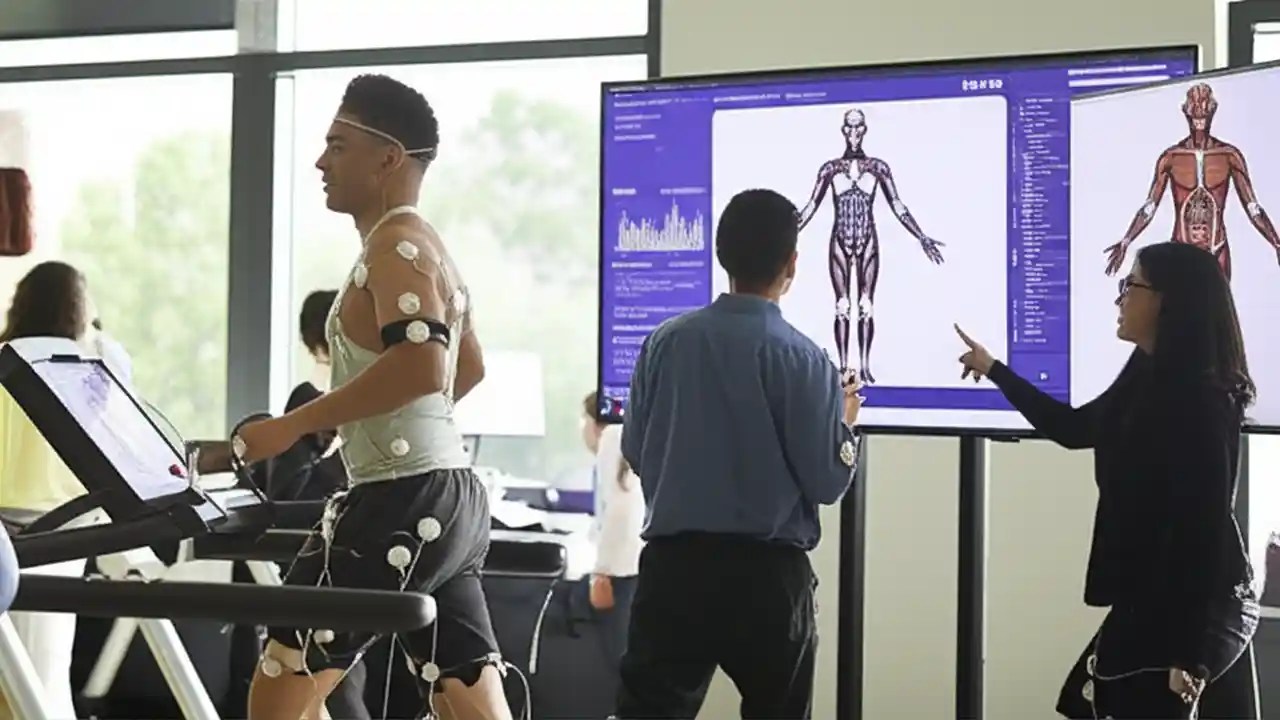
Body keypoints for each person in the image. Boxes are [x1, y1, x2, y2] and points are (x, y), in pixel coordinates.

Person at [233, 74, 507, 720]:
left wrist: (293, 426)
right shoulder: (428, 245)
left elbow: (421, 366)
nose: (321, 161)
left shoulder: (394, 245)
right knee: (471, 703)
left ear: (388, 158)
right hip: (450, 497)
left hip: (399, 498)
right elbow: (466, 370)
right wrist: (403, 431)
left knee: (277, 697)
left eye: (338, 145)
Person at [956, 241, 1259, 718]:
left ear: (1166, 300)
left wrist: (1190, 656)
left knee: (1110, 699)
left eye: (1130, 286)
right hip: (1150, 593)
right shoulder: (1146, 373)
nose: (1120, 300)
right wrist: (994, 369)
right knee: (1087, 701)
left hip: (1198, 605)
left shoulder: (1203, 401)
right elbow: (1074, 429)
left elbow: (1203, 530)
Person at [617, 188, 864, 720]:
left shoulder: (664, 342)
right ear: (793, 262)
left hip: (674, 574)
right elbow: (826, 482)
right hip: (768, 583)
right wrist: (843, 425)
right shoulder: (806, 359)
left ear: (719, 254)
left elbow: (635, 449)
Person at [0, 260, 102, 720]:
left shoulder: (7, 362)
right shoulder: (89, 368)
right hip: (67, 527)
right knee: (45, 666)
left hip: (10, 528)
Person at [795, 107, 945, 384]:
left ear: (865, 130)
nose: (854, 133)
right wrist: (783, 234)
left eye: (859, 127)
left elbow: (897, 205)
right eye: (849, 128)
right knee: (842, 306)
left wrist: (921, 236)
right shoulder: (830, 169)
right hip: (840, 239)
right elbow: (809, 208)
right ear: (843, 131)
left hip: (868, 241)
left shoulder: (878, 168)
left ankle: (863, 367)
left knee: (866, 306)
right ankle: (843, 368)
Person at [1104, 83, 1280, 280]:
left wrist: (1276, 242)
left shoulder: (1229, 156)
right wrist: (1127, 240)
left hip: (1216, 250)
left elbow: (1252, 207)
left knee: (1218, 310)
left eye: (1203, 111)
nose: (1199, 118)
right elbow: (1149, 207)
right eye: (1195, 111)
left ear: (1212, 111)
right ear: (1186, 112)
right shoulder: (1171, 158)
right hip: (1181, 252)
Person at [580, 390, 644, 672]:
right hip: (642, 566)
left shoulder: (613, 438)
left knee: (622, 664)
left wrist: (602, 572)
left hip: (624, 573)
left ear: (596, 423)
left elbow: (620, 508)